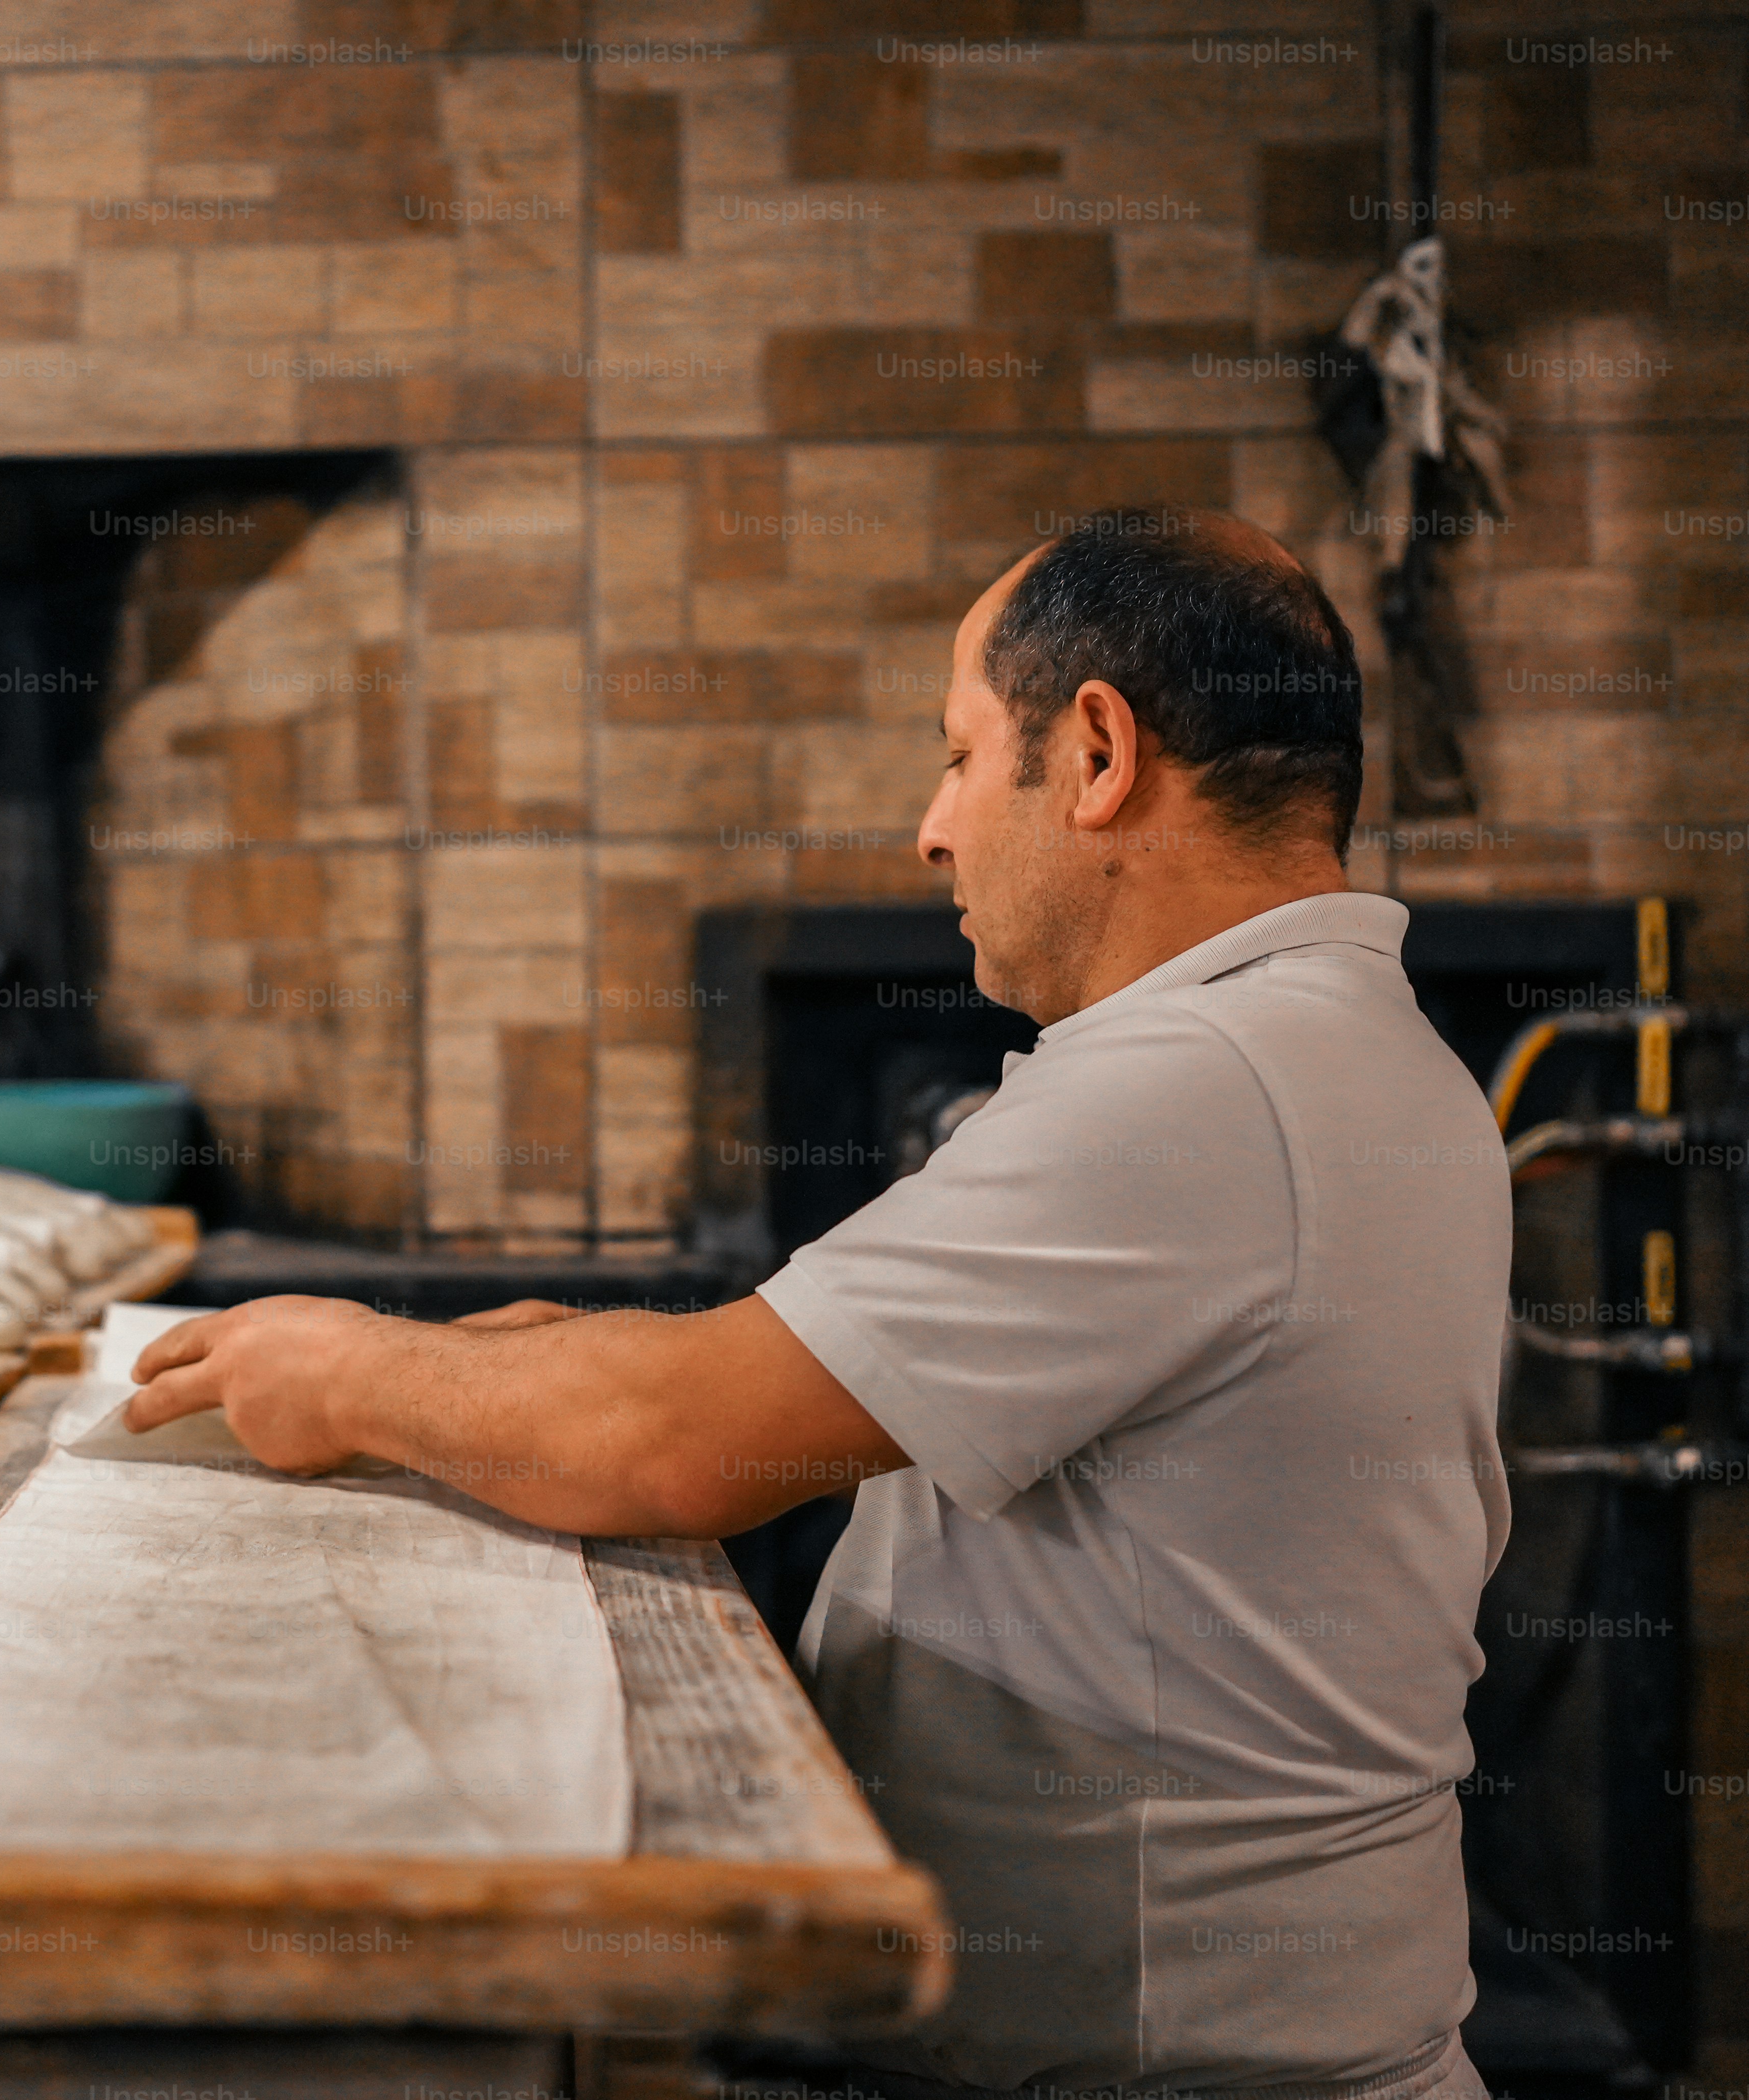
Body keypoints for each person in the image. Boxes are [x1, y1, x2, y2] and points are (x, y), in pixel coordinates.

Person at [126, 510, 1508, 2100]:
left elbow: (677, 1441)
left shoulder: (1201, 1082)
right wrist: (479, 1363)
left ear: (1098, 752)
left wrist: (352, 1368)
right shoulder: (1319, 1048)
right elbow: (784, 1363)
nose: (931, 831)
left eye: (958, 756)